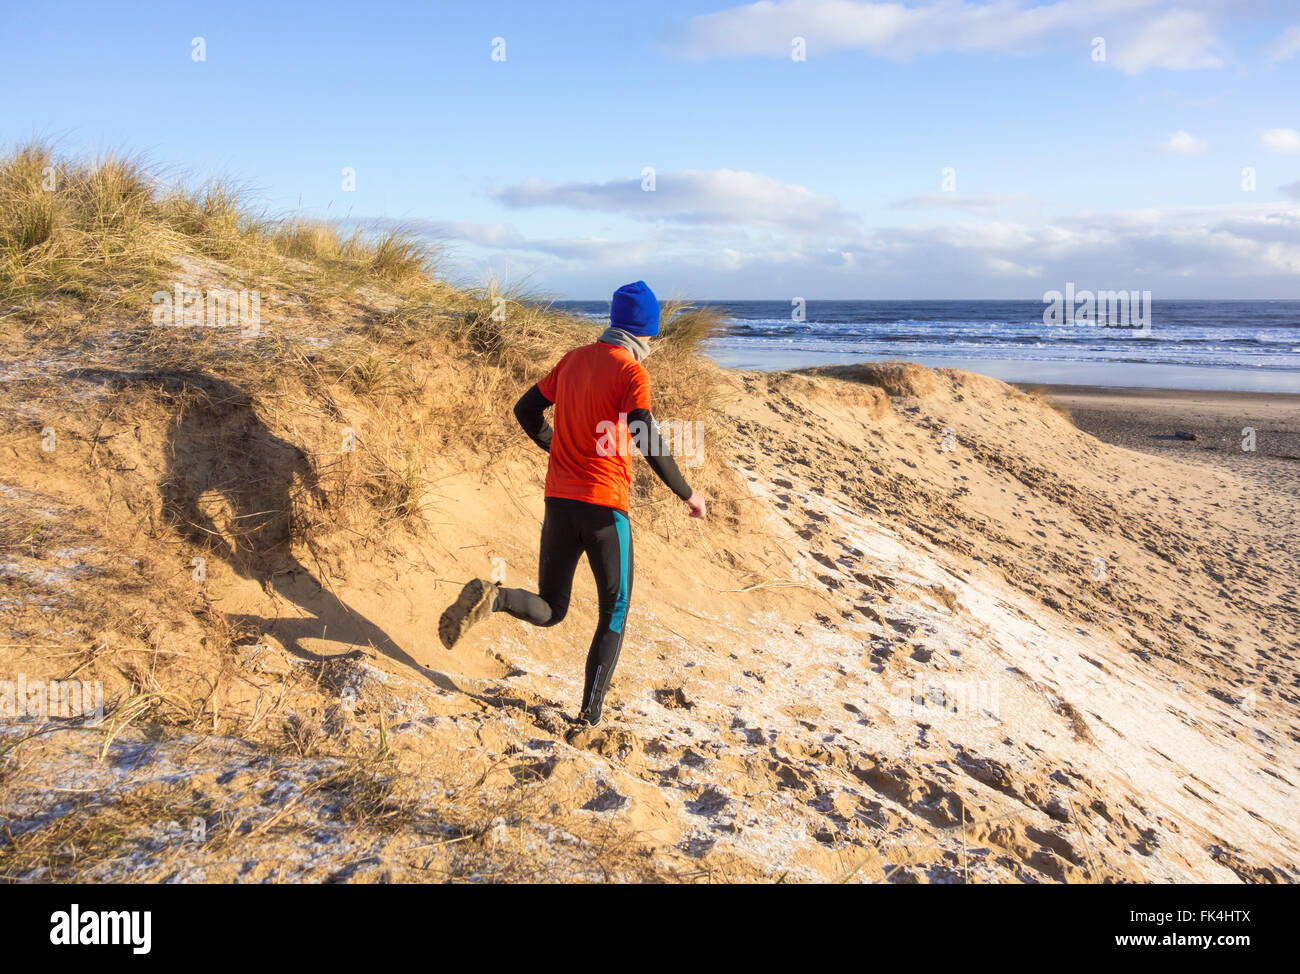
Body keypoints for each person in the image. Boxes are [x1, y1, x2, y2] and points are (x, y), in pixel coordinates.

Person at [438, 281, 707, 727]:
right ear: (646, 333)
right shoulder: (631, 372)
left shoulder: (573, 360)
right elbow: (644, 433)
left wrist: (559, 448)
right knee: (614, 611)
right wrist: (687, 493)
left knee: (551, 606)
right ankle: (589, 715)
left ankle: (495, 597)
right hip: (605, 510)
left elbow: (526, 410)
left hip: (559, 503)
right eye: (654, 336)